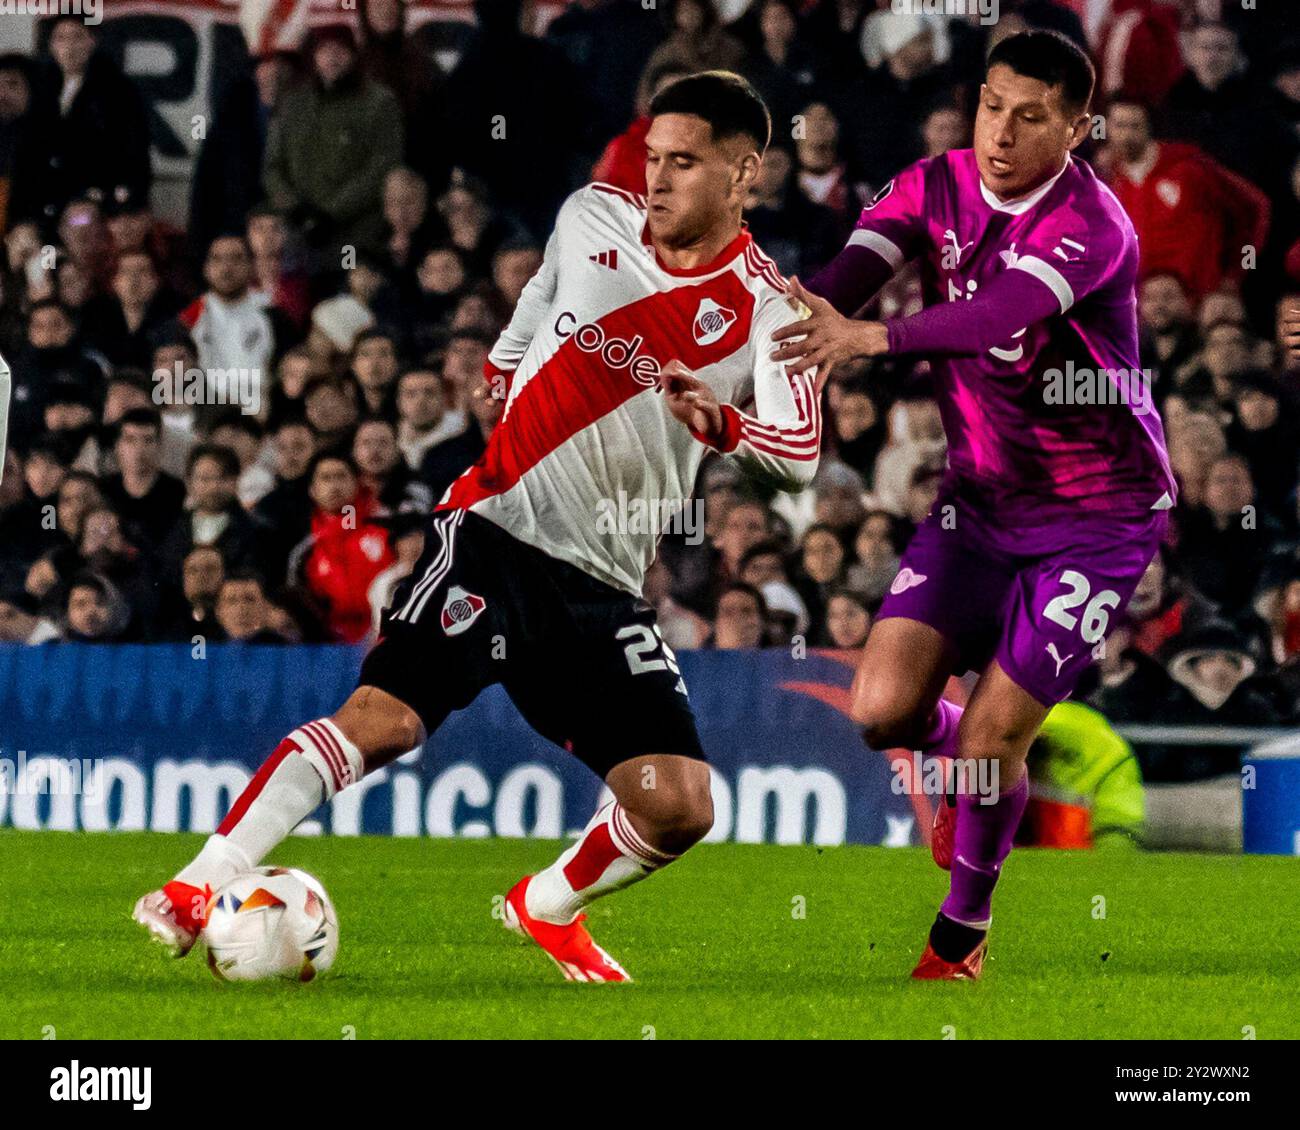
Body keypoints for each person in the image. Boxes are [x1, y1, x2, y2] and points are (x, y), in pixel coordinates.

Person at [134, 71, 822, 984]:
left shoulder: (772, 307)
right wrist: (503, 362)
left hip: (604, 585)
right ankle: (197, 885)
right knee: (382, 721)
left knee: (679, 806)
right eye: (652, 157)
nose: (657, 179)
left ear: (746, 174)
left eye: (685, 164)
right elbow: (544, 287)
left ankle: (545, 906)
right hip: (495, 528)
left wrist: (725, 423)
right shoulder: (593, 216)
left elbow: (801, 450)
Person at [772, 32, 1173, 980]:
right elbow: (843, 280)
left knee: (997, 740)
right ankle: (963, 761)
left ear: (1078, 128)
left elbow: (996, 316)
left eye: (1031, 115)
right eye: (993, 104)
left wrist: (869, 339)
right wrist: (765, 335)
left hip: (1098, 514)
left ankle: (960, 937)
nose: (1002, 130)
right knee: (880, 711)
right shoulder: (931, 183)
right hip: (979, 503)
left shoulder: (1093, 224)